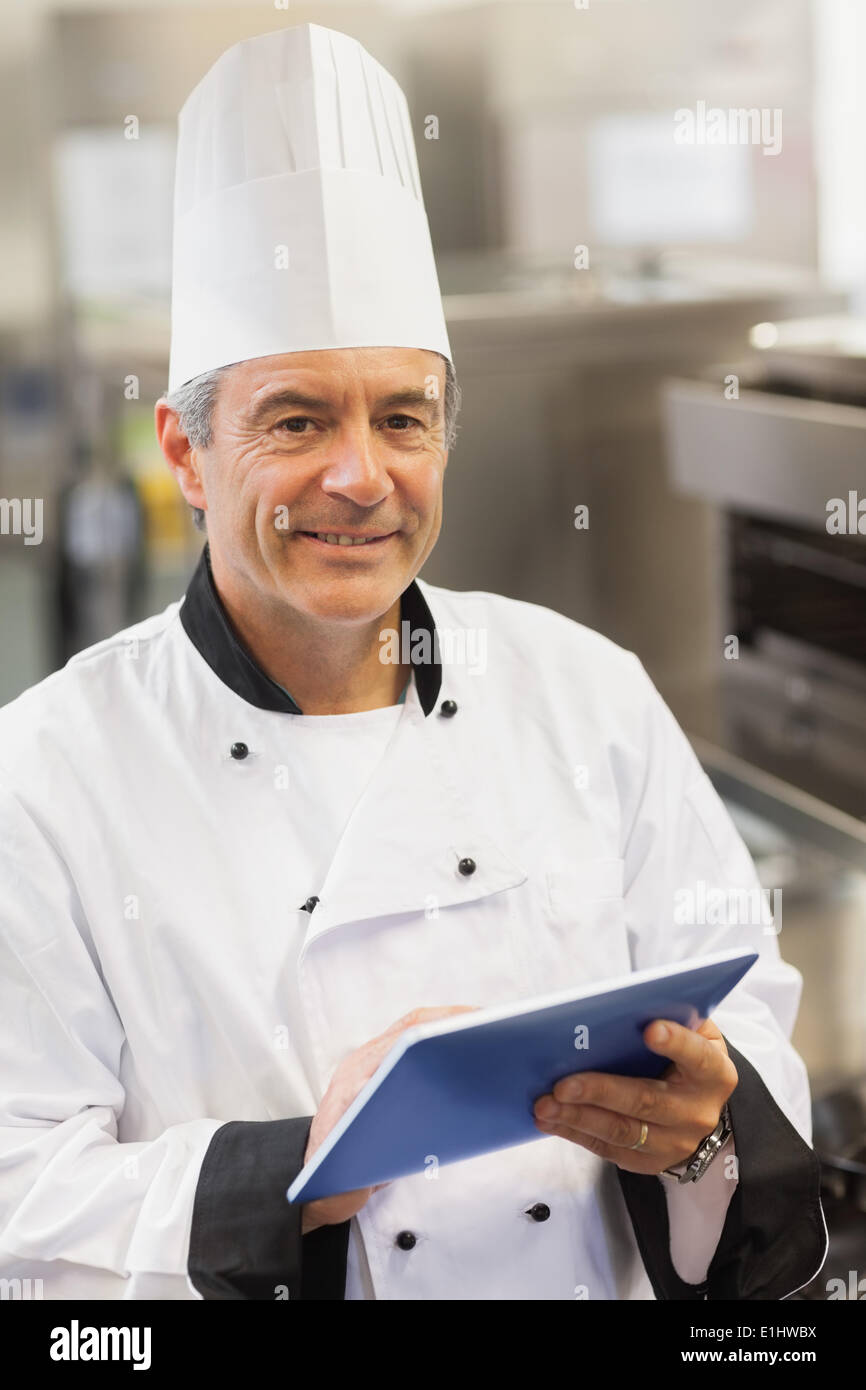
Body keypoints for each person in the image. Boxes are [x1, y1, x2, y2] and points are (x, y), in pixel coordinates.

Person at [0, 24, 825, 1301]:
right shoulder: (45, 773)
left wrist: (708, 1130)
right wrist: (288, 1174)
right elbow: (16, 1186)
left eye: (401, 417)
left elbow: (750, 1018)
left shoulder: (586, 688)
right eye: (296, 420)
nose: (358, 475)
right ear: (182, 450)